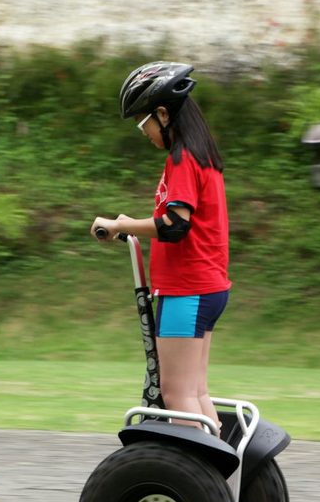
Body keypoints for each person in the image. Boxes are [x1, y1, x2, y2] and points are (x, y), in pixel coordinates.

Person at [91, 61, 231, 437]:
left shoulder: (183, 159)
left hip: (188, 290)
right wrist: (128, 228)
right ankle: (225, 478)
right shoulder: (203, 157)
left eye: (143, 122)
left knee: (175, 394)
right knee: (195, 393)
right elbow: (177, 222)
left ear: (164, 113)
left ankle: (203, 484)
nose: (144, 131)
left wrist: (121, 225)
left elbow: (175, 226)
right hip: (206, 288)